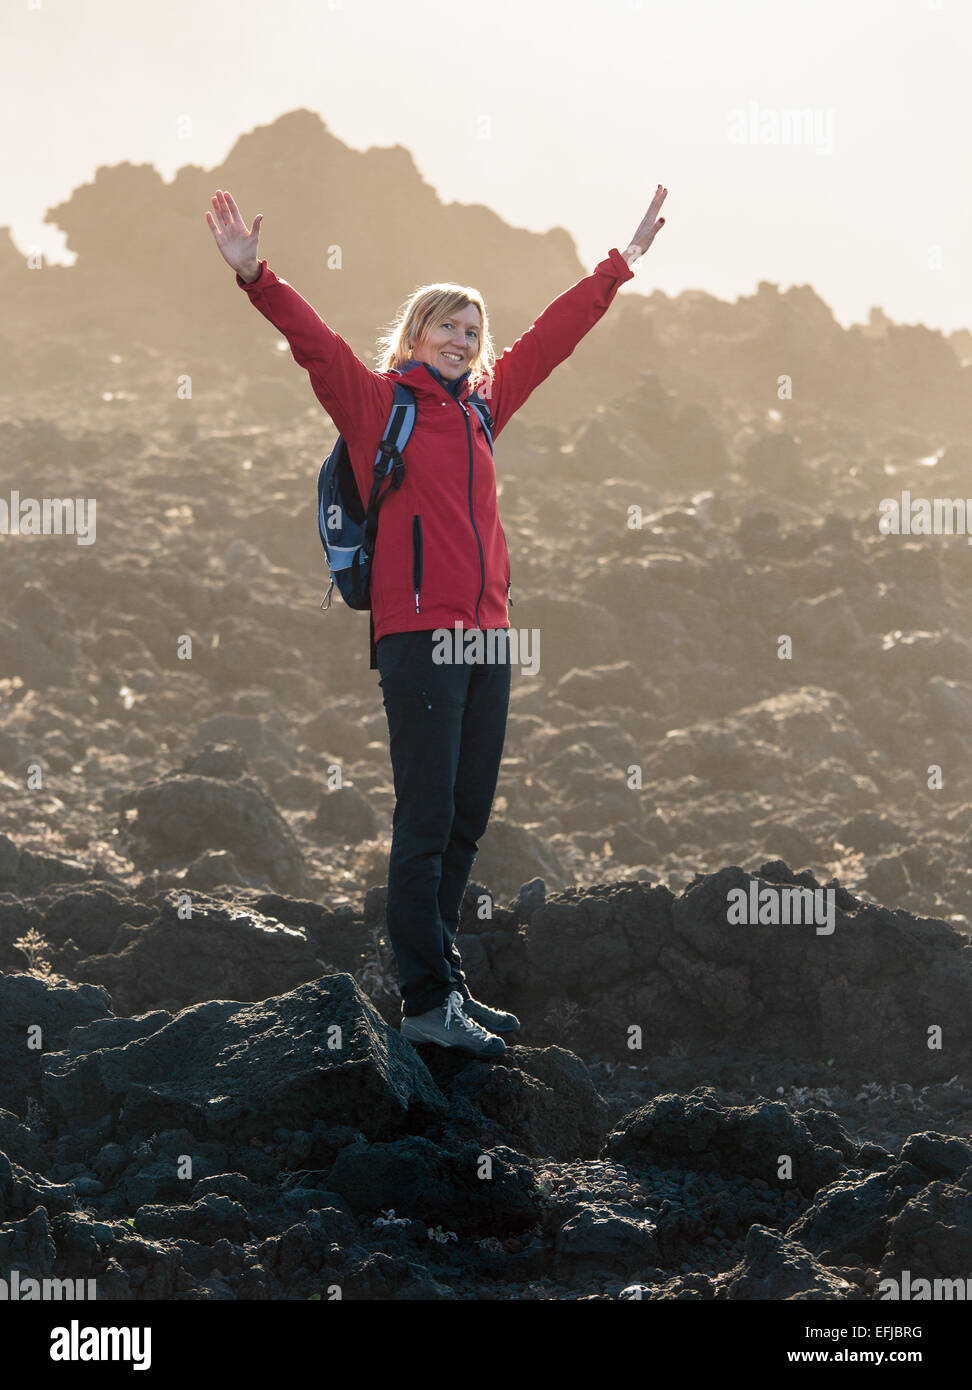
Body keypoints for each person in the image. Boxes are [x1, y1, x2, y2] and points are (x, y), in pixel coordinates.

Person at [205, 184, 668, 1057]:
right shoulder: (382, 406)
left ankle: (443, 985)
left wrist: (621, 264)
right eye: (447, 327)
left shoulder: (486, 408)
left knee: (466, 819)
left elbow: (552, 340)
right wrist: (255, 276)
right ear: (416, 335)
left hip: (487, 635)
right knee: (423, 821)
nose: (461, 341)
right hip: (418, 637)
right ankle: (424, 1004)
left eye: (471, 332)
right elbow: (316, 348)